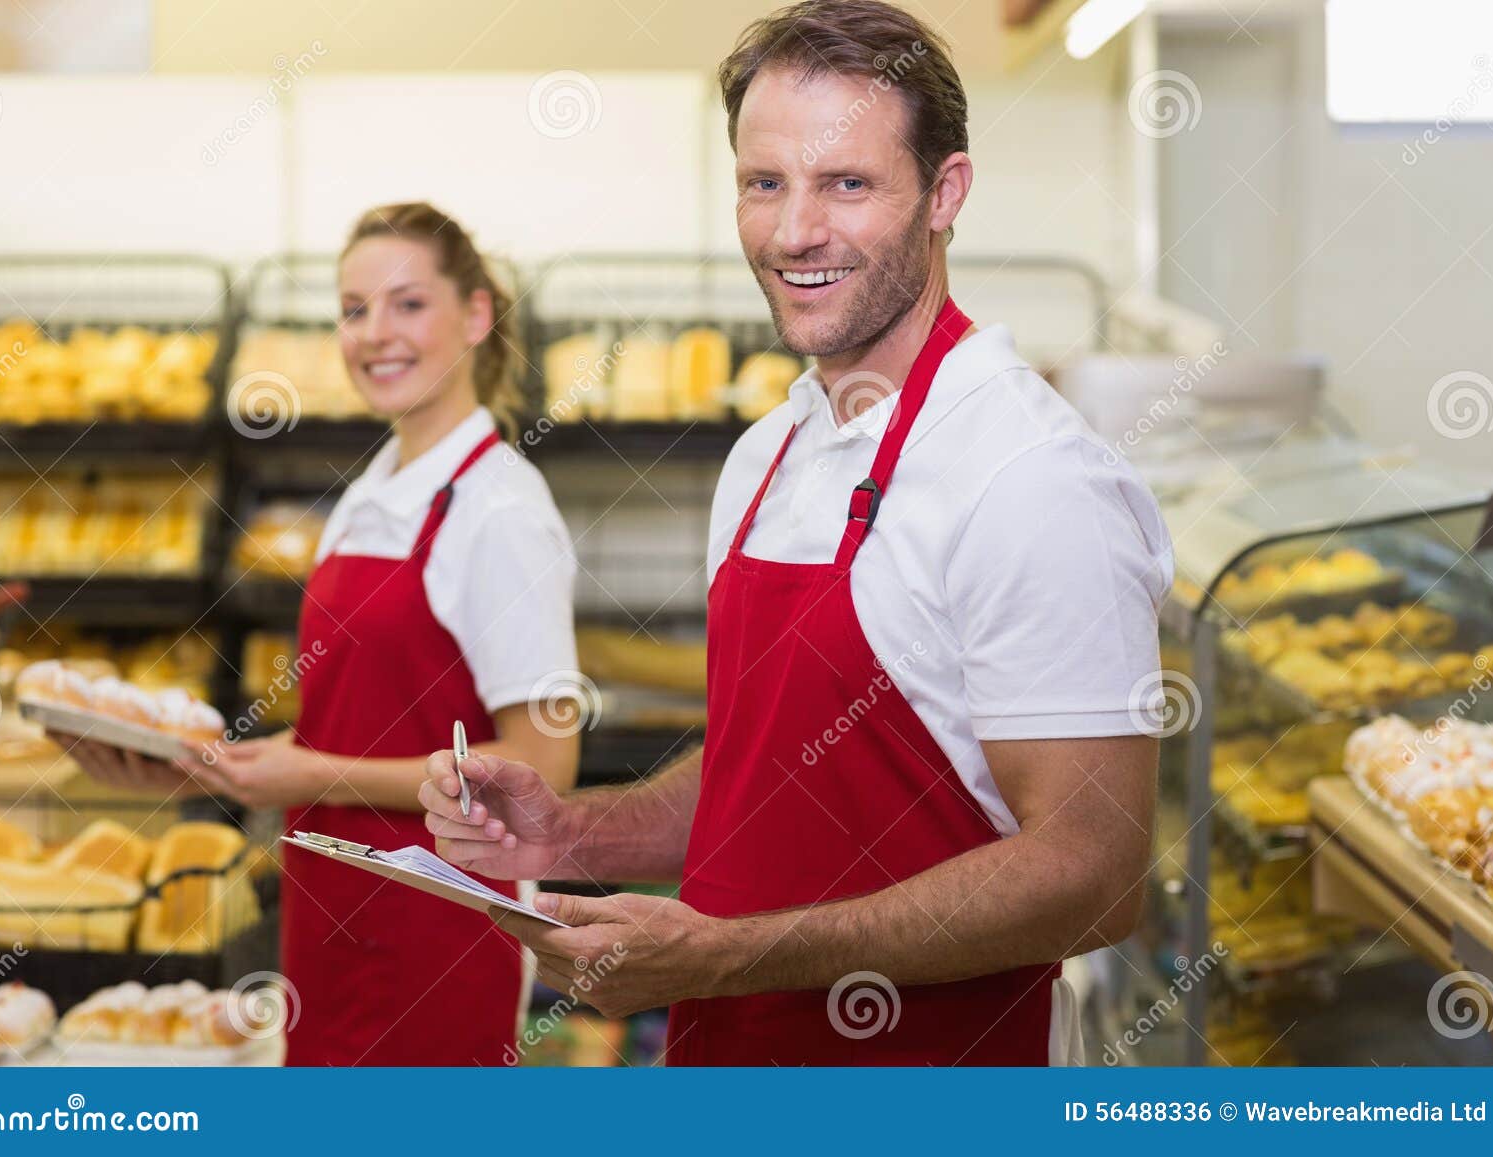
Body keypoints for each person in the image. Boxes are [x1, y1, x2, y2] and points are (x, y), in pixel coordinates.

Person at [420, 1, 1174, 1067]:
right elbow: (756, 771)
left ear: (944, 193)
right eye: (763, 183)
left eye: (846, 185)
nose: (791, 232)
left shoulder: (1031, 476)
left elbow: (1094, 874)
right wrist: (567, 833)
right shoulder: (769, 452)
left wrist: (730, 955)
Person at [57, 202, 580, 1066]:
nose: (376, 332)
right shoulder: (370, 495)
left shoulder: (501, 509)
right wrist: (195, 758)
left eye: (408, 303)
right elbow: (357, 723)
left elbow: (540, 767)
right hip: (330, 913)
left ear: (477, 315)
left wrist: (315, 773)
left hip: (441, 927)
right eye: (353, 308)